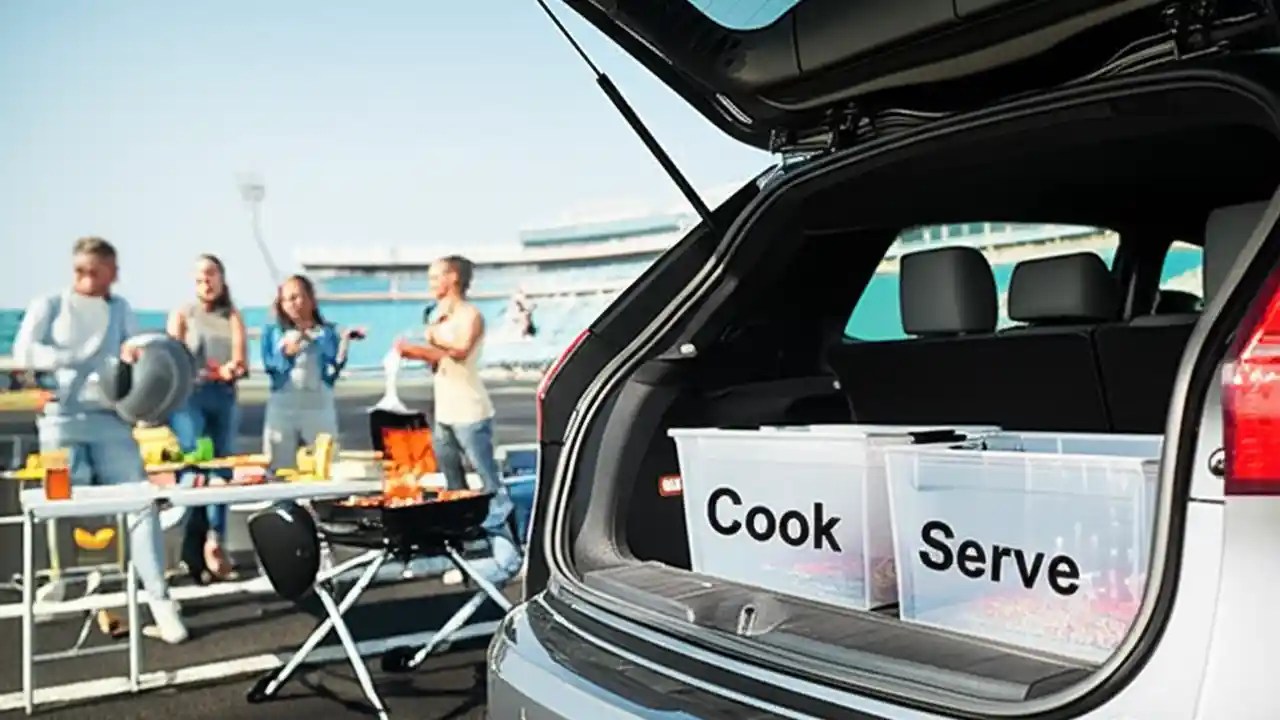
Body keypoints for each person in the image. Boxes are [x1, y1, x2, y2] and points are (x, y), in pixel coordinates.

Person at [13, 237, 188, 643]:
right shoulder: (49, 305)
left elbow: (133, 348)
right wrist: (67, 361)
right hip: (61, 420)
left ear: (113, 272)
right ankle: (60, 580)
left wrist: (135, 358)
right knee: (57, 503)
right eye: (80, 271)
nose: (87, 280)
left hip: (110, 419)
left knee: (140, 501)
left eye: (96, 271)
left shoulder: (121, 309)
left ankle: (160, 599)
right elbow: (25, 351)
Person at [394, 255, 523, 584]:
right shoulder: (437, 317)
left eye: (435, 277)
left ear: (453, 278)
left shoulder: (470, 315)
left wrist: (421, 348)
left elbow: (461, 351)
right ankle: (465, 558)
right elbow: (441, 364)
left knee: (490, 484)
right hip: (445, 411)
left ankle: (509, 555)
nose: (431, 283)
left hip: (470, 411)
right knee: (453, 490)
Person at [166, 254, 246, 581]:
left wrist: (231, 368)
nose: (206, 281)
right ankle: (188, 548)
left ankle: (215, 541)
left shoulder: (232, 316)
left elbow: (241, 360)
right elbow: (170, 360)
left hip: (223, 397)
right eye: (199, 276)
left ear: (222, 278)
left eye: (211, 274)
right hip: (190, 400)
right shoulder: (183, 314)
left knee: (221, 467)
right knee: (196, 467)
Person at [260, 274, 361, 472]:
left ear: (311, 299)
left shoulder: (327, 332)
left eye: (297, 297)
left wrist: (345, 342)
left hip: (318, 405)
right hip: (283, 405)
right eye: (287, 299)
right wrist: (287, 353)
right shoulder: (272, 332)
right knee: (280, 466)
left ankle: (322, 502)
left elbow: (335, 366)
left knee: (325, 464)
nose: (293, 304)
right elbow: (270, 366)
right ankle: (283, 502)